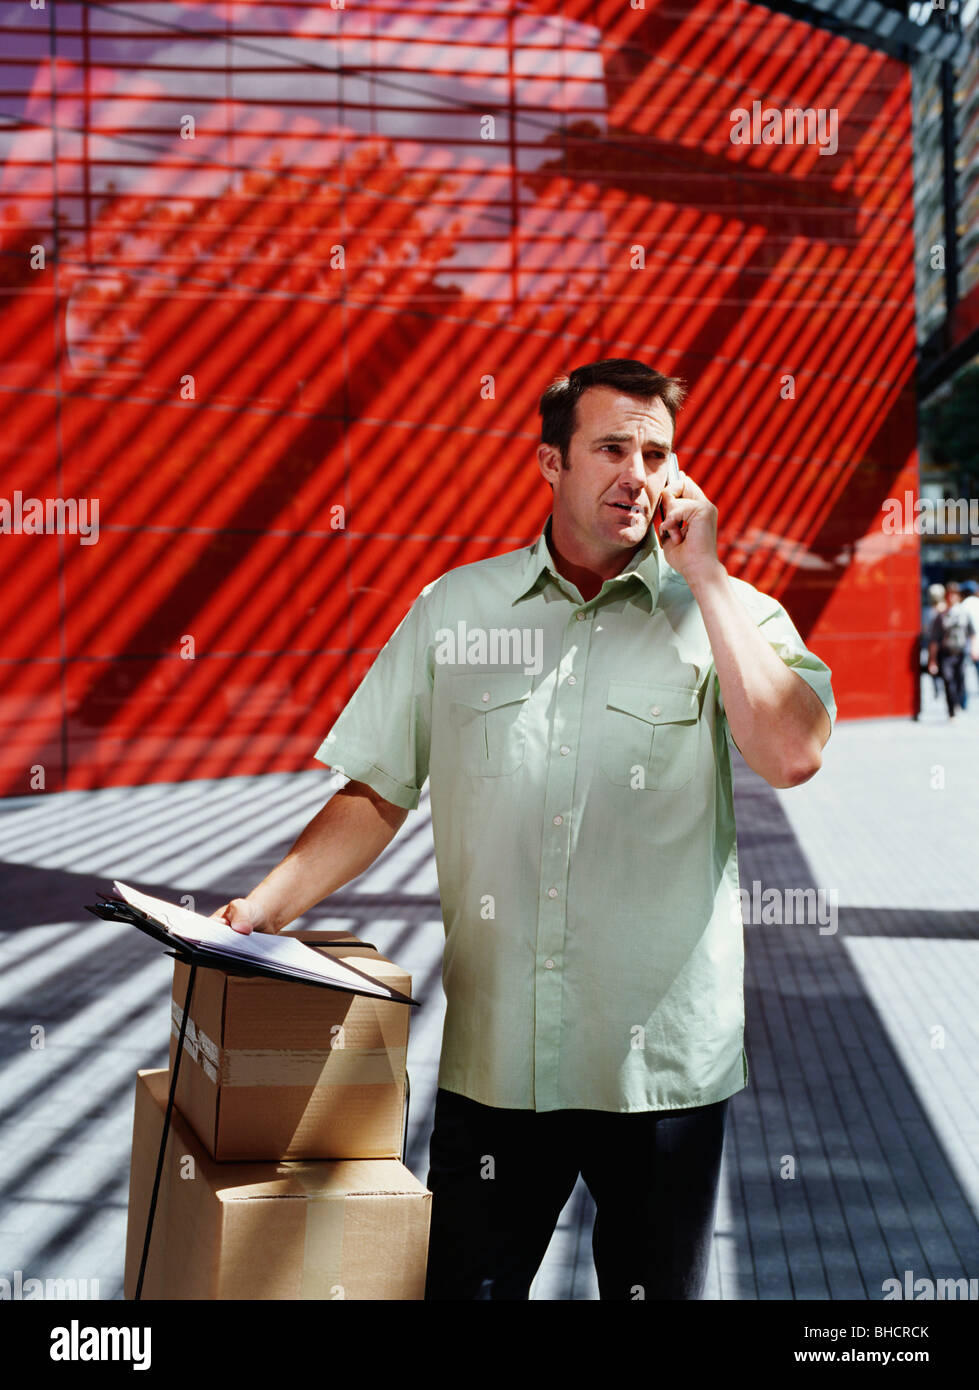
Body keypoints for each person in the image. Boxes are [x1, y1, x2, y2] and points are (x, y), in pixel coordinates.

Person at [212, 358, 835, 1301]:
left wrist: (704, 574)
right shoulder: (455, 611)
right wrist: (254, 913)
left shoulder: (730, 615)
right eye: (611, 447)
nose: (638, 470)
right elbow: (375, 789)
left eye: (657, 452)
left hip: (659, 1075)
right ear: (551, 462)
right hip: (500, 1068)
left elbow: (791, 751)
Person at [928, 581, 975, 718]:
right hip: (946, 653)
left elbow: (972, 632)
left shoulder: (964, 613)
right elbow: (934, 640)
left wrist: (974, 648)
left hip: (960, 652)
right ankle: (951, 710)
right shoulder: (941, 616)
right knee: (948, 681)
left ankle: (959, 703)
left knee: (960, 680)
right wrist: (932, 659)